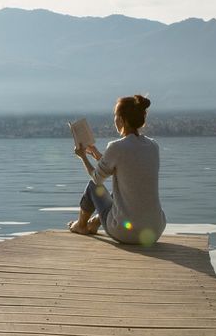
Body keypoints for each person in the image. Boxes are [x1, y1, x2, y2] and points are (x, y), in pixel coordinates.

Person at [68, 94, 166, 246]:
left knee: (93, 186)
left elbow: (97, 178)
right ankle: (94, 223)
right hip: (155, 230)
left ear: (121, 120)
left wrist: (83, 157)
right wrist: (97, 155)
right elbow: (127, 169)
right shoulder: (153, 146)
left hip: (127, 232)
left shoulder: (116, 147)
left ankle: (81, 225)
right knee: (122, 188)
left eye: (115, 115)